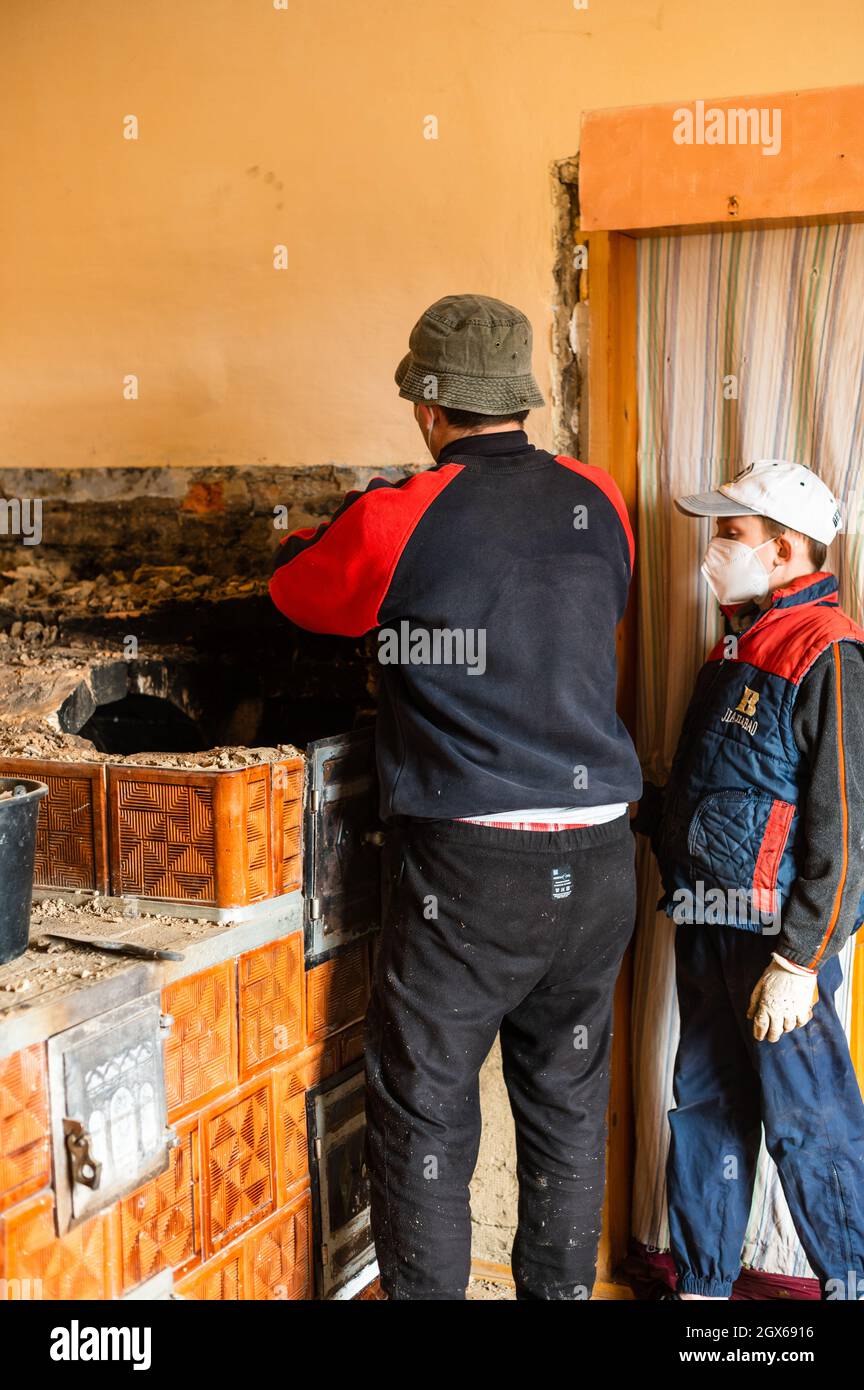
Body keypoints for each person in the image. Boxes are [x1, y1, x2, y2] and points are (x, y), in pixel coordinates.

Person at [269, 293, 642, 1300]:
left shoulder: (401, 513)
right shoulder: (599, 497)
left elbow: (298, 592)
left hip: (472, 873)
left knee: (427, 1110)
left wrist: (321, 534)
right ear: (519, 398)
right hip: (603, 857)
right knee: (566, 1102)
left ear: (430, 410)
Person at [636, 459, 864, 1301]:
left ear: (785, 551)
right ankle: (702, 1290)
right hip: (706, 921)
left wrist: (801, 960)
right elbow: (720, 790)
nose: (711, 550)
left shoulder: (829, 651)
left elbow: (848, 828)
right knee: (703, 1108)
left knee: (812, 1126)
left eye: (729, 534)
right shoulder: (738, 642)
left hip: (772, 941)